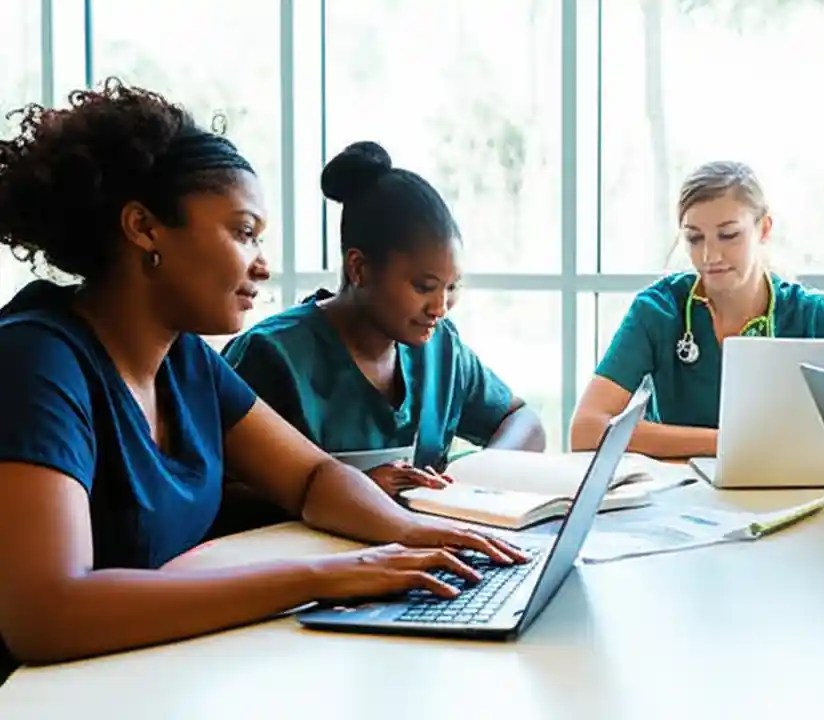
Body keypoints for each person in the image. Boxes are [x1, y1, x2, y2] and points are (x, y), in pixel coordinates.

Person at [0, 81, 526, 680]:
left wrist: (414, 533)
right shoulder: (37, 361)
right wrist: (322, 578)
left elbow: (312, 476)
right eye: (243, 232)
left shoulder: (185, 361)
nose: (263, 265)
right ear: (144, 228)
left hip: (149, 676)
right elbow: (42, 612)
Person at [222, 141, 546, 501]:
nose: (440, 307)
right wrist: (347, 493)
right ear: (359, 268)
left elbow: (524, 422)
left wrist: (479, 477)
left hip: (420, 549)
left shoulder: (441, 350)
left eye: (451, 287)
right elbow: (215, 493)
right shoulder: (271, 356)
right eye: (424, 286)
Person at [570, 160, 824, 459]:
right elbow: (586, 429)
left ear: (764, 229)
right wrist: (724, 443)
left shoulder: (814, 317)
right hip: (678, 494)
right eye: (694, 238)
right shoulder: (658, 310)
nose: (710, 255)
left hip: (787, 494)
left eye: (729, 235)